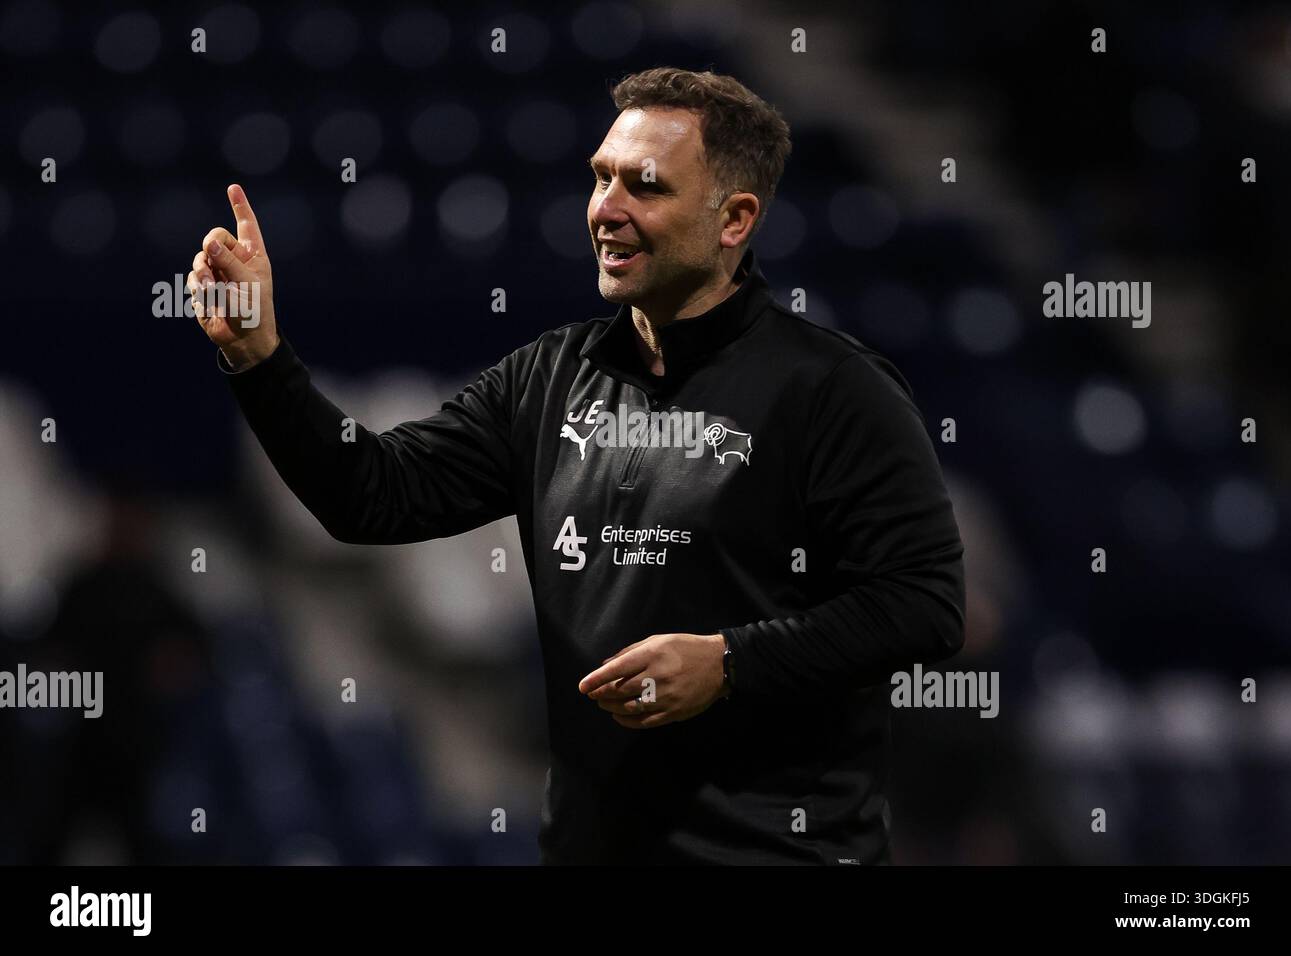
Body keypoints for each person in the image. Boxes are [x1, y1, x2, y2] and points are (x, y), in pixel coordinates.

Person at [186, 67, 965, 865]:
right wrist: (262, 360)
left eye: (646, 186)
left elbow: (924, 605)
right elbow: (372, 495)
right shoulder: (546, 380)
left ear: (734, 220)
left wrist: (732, 663)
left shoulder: (833, 390)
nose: (607, 210)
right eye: (600, 178)